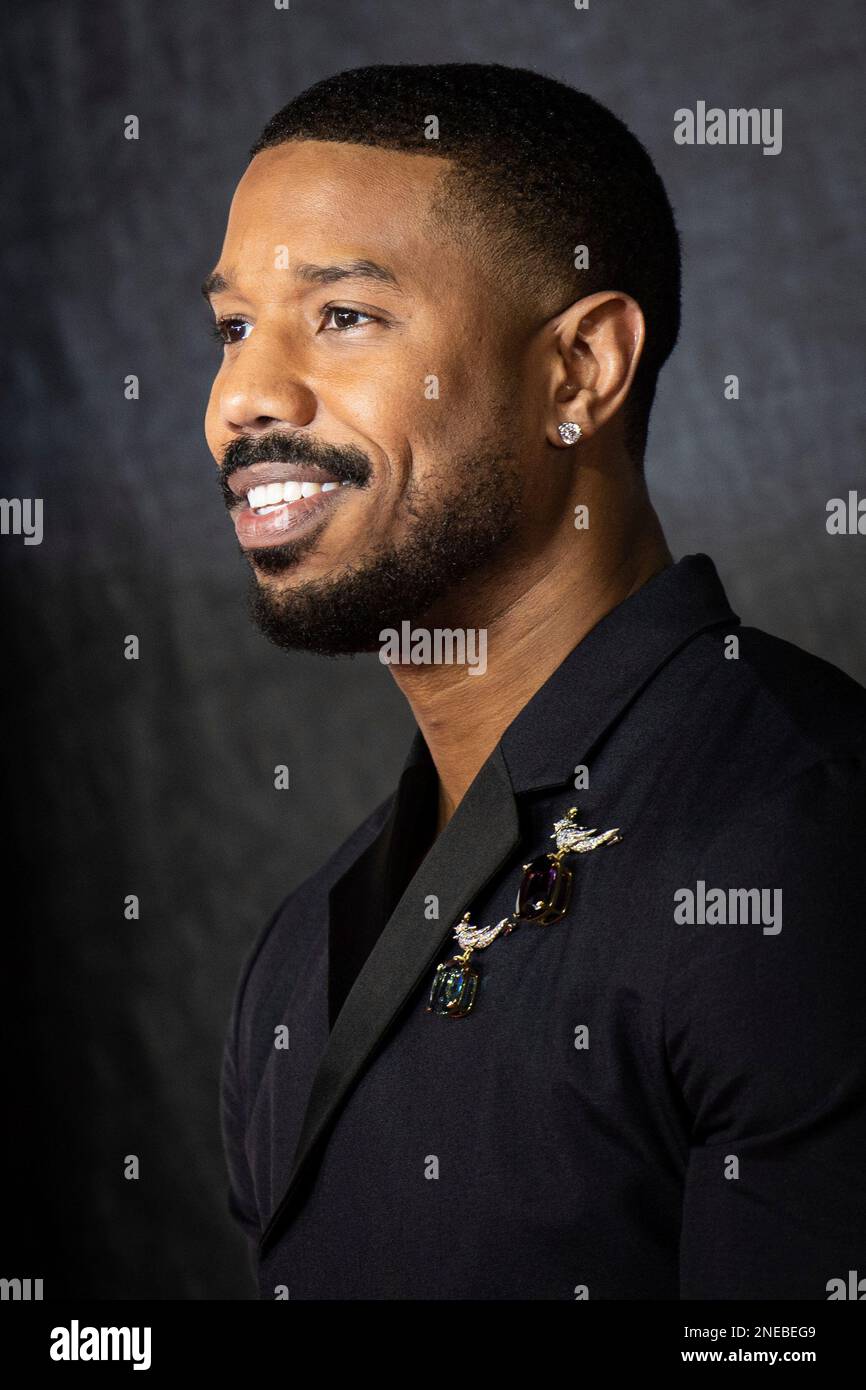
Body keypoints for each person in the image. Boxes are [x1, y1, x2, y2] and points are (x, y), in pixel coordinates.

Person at [204, 63, 866, 1299]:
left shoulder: (799, 845)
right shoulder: (307, 947)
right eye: (232, 327)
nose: (241, 396)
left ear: (577, 373)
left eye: (341, 315)